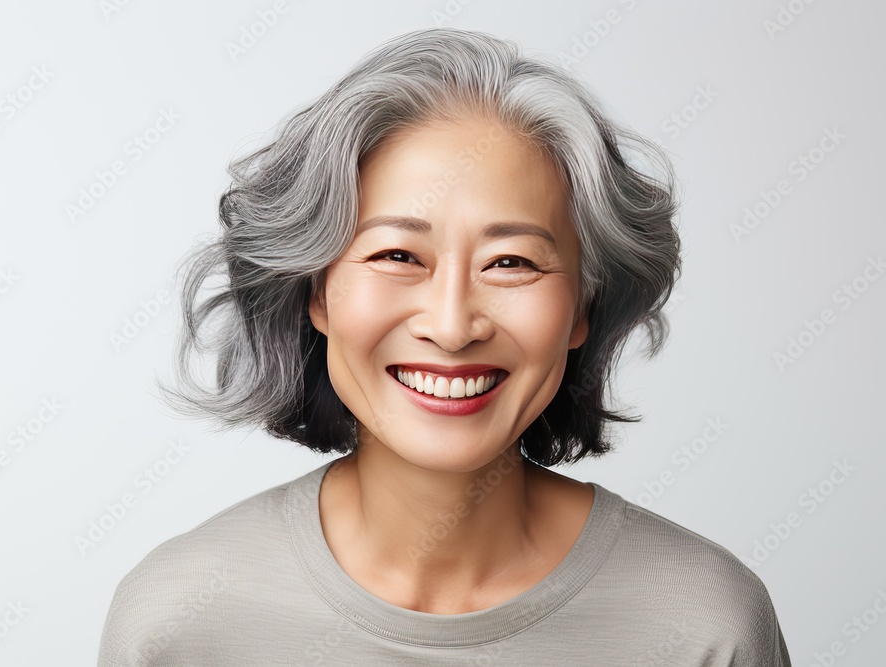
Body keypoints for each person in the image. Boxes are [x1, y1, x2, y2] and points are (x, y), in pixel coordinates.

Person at [97, 28, 791, 665]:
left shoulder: (706, 625)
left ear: (583, 305)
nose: (454, 325)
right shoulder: (181, 622)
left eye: (512, 262)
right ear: (317, 292)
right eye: (398, 254)